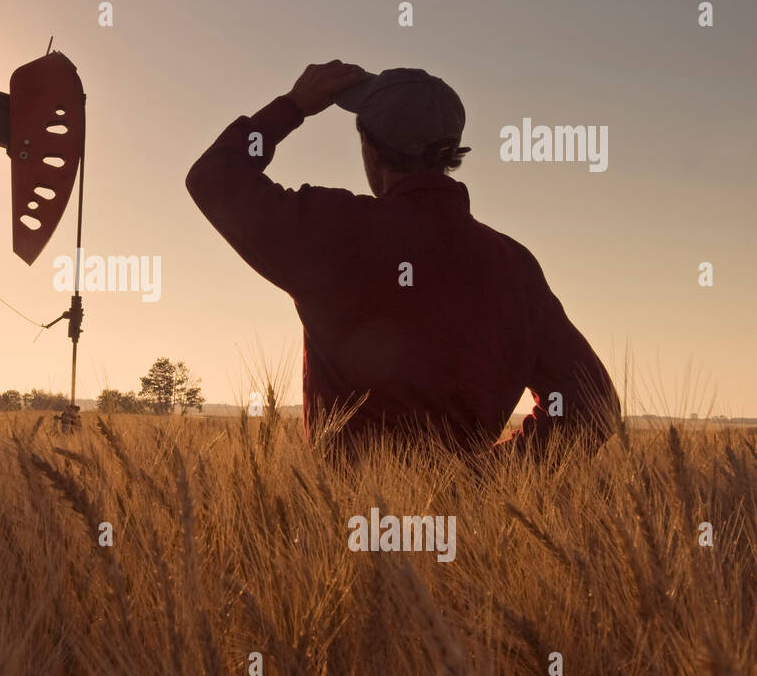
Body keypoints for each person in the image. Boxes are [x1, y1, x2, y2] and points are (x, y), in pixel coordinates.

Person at [185, 61, 620, 456]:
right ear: (451, 152)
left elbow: (215, 178)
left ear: (371, 151)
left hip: (345, 533)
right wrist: (489, 483)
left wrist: (293, 106)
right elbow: (593, 404)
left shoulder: (331, 231)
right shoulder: (514, 265)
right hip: (466, 538)